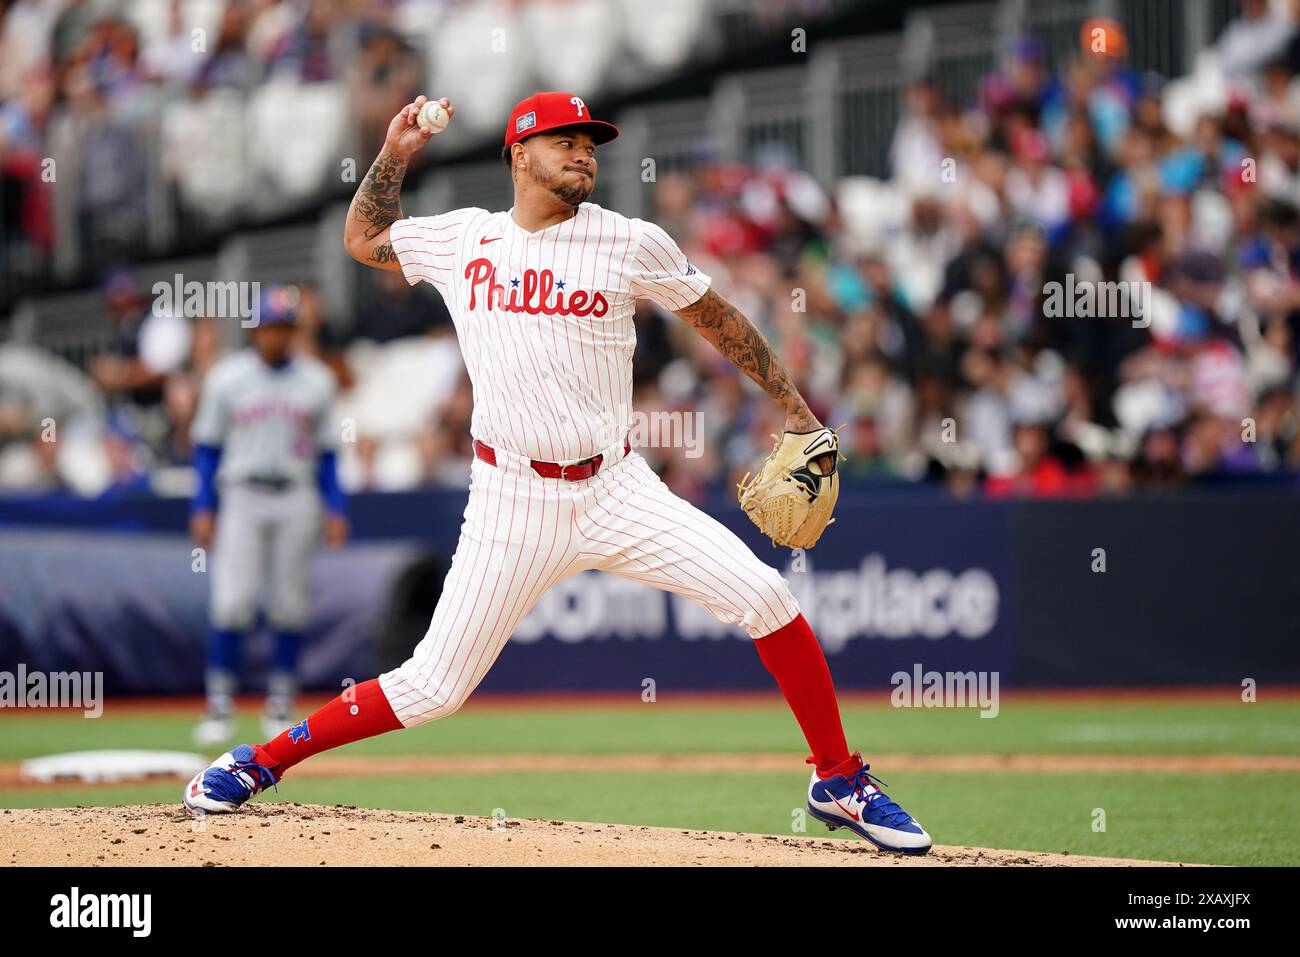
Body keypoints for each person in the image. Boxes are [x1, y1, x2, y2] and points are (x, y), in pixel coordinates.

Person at [182, 92, 931, 854]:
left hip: (617, 487)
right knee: (435, 686)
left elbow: (717, 318)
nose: (583, 152)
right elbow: (364, 235)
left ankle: (838, 778)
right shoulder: (463, 239)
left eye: (590, 142)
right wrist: (397, 149)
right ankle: (261, 760)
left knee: (767, 593)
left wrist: (796, 408)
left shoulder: (631, 241)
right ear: (518, 154)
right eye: (563, 140)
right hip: (511, 499)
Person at [188, 284, 349, 746]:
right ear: (254, 331)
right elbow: (207, 449)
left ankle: (280, 701)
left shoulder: (317, 379)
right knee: (232, 601)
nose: (275, 337)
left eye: (284, 328)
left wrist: (336, 506)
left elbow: (328, 454)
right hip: (241, 493)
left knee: (289, 603)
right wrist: (202, 505)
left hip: (297, 495)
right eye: (268, 328)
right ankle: (219, 704)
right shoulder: (226, 378)